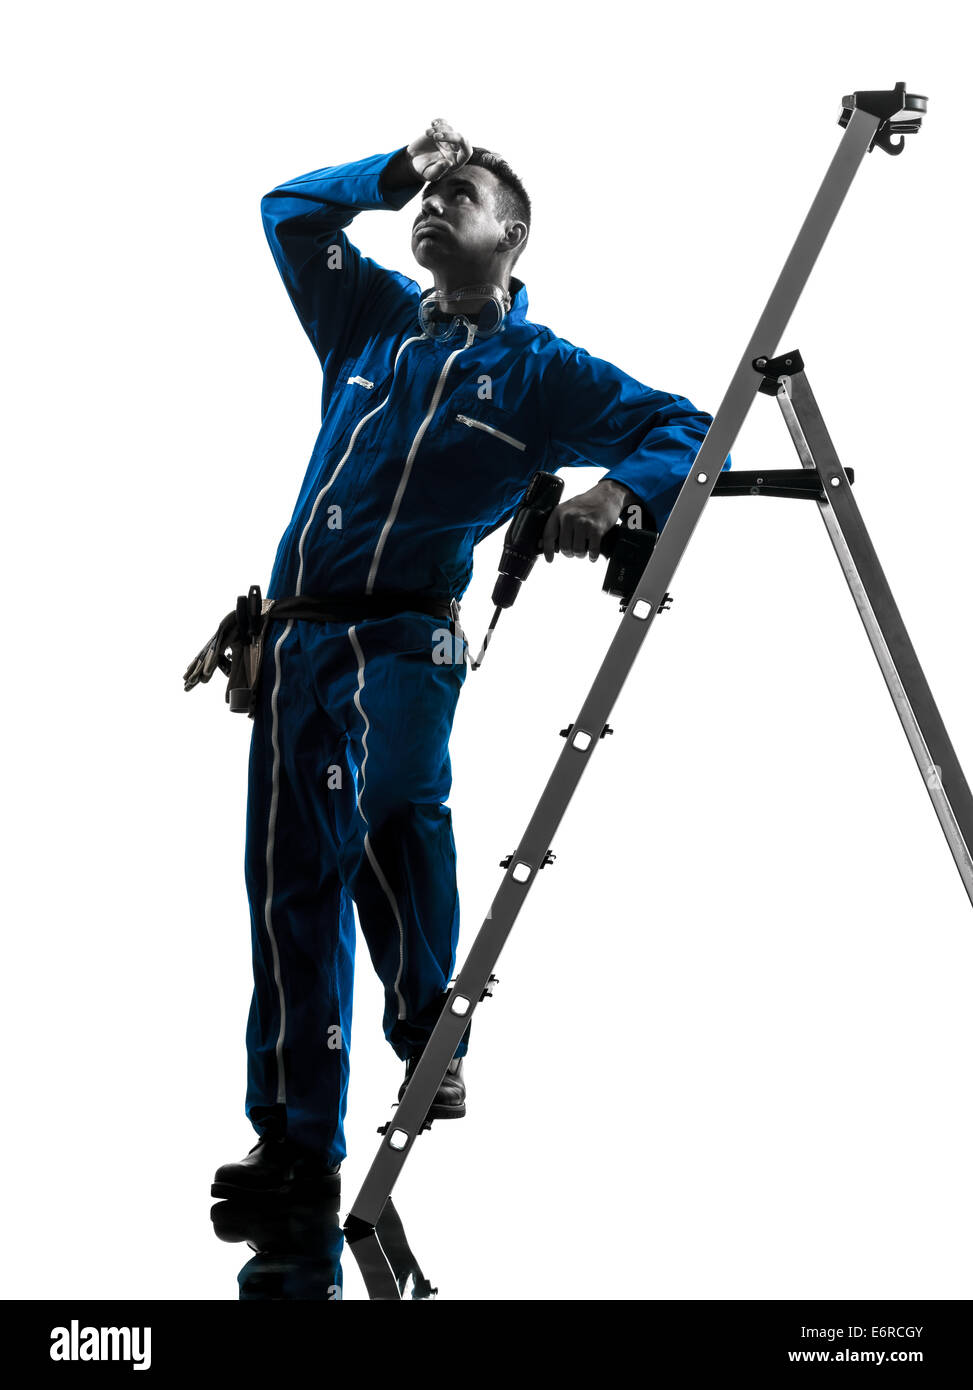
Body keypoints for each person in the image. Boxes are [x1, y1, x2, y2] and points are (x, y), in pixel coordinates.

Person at [211, 119, 730, 1200]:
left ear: (513, 236)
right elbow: (289, 211)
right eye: (428, 196)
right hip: (296, 642)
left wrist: (612, 490)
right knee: (286, 892)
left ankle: (426, 1027)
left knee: (397, 799)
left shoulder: (537, 373)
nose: (434, 204)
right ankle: (296, 1143)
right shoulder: (366, 322)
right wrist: (397, 165)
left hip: (404, 634)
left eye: (462, 193)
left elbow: (685, 423)